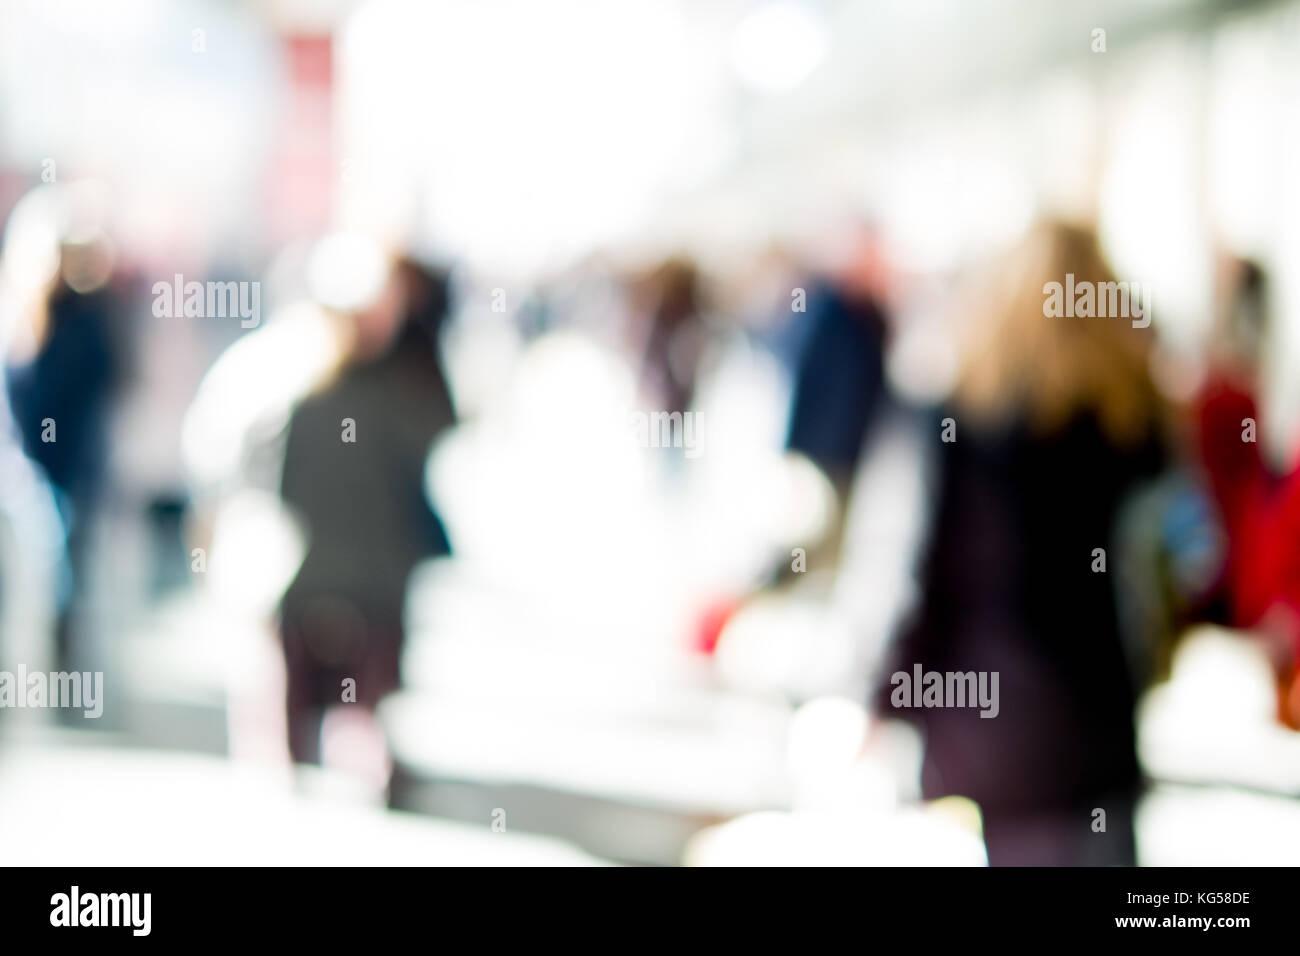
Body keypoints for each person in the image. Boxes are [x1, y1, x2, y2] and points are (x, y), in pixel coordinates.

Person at [873, 220, 1167, 865]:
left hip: (988, 731)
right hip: (1098, 728)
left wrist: (884, 694)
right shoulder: (1134, 421)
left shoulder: (956, 419)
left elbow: (919, 576)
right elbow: (1180, 562)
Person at [277, 249, 455, 777]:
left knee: (351, 683)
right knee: (337, 682)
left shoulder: (390, 380)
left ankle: (341, 763)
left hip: (353, 566)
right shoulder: (305, 381)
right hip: (337, 567)